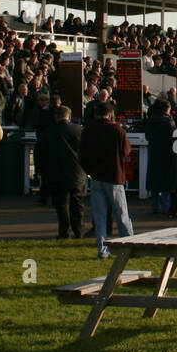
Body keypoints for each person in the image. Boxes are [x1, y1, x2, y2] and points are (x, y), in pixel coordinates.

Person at [79, 102, 133, 258]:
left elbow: (82, 155)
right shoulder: (117, 130)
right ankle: (129, 244)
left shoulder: (88, 130)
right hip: (114, 176)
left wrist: (90, 171)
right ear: (110, 114)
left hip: (97, 177)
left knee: (99, 215)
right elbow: (126, 151)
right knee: (121, 213)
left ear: (96, 114)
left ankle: (102, 250)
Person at [35, 105, 85, 239]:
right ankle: (79, 229)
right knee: (77, 203)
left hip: (55, 172)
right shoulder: (79, 130)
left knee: (61, 204)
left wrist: (40, 171)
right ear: (69, 116)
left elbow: (39, 153)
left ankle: (64, 231)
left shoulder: (47, 132)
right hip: (76, 172)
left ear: (55, 117)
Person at [144, 100, 176, 214]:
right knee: (166, 183)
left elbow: (147, 136)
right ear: (167, 109)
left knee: (154, 182)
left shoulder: (151, 120)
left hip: (154, 153)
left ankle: (154, 206)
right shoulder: (170, 122)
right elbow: (174, 137)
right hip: (167, 154)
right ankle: (166, 206)